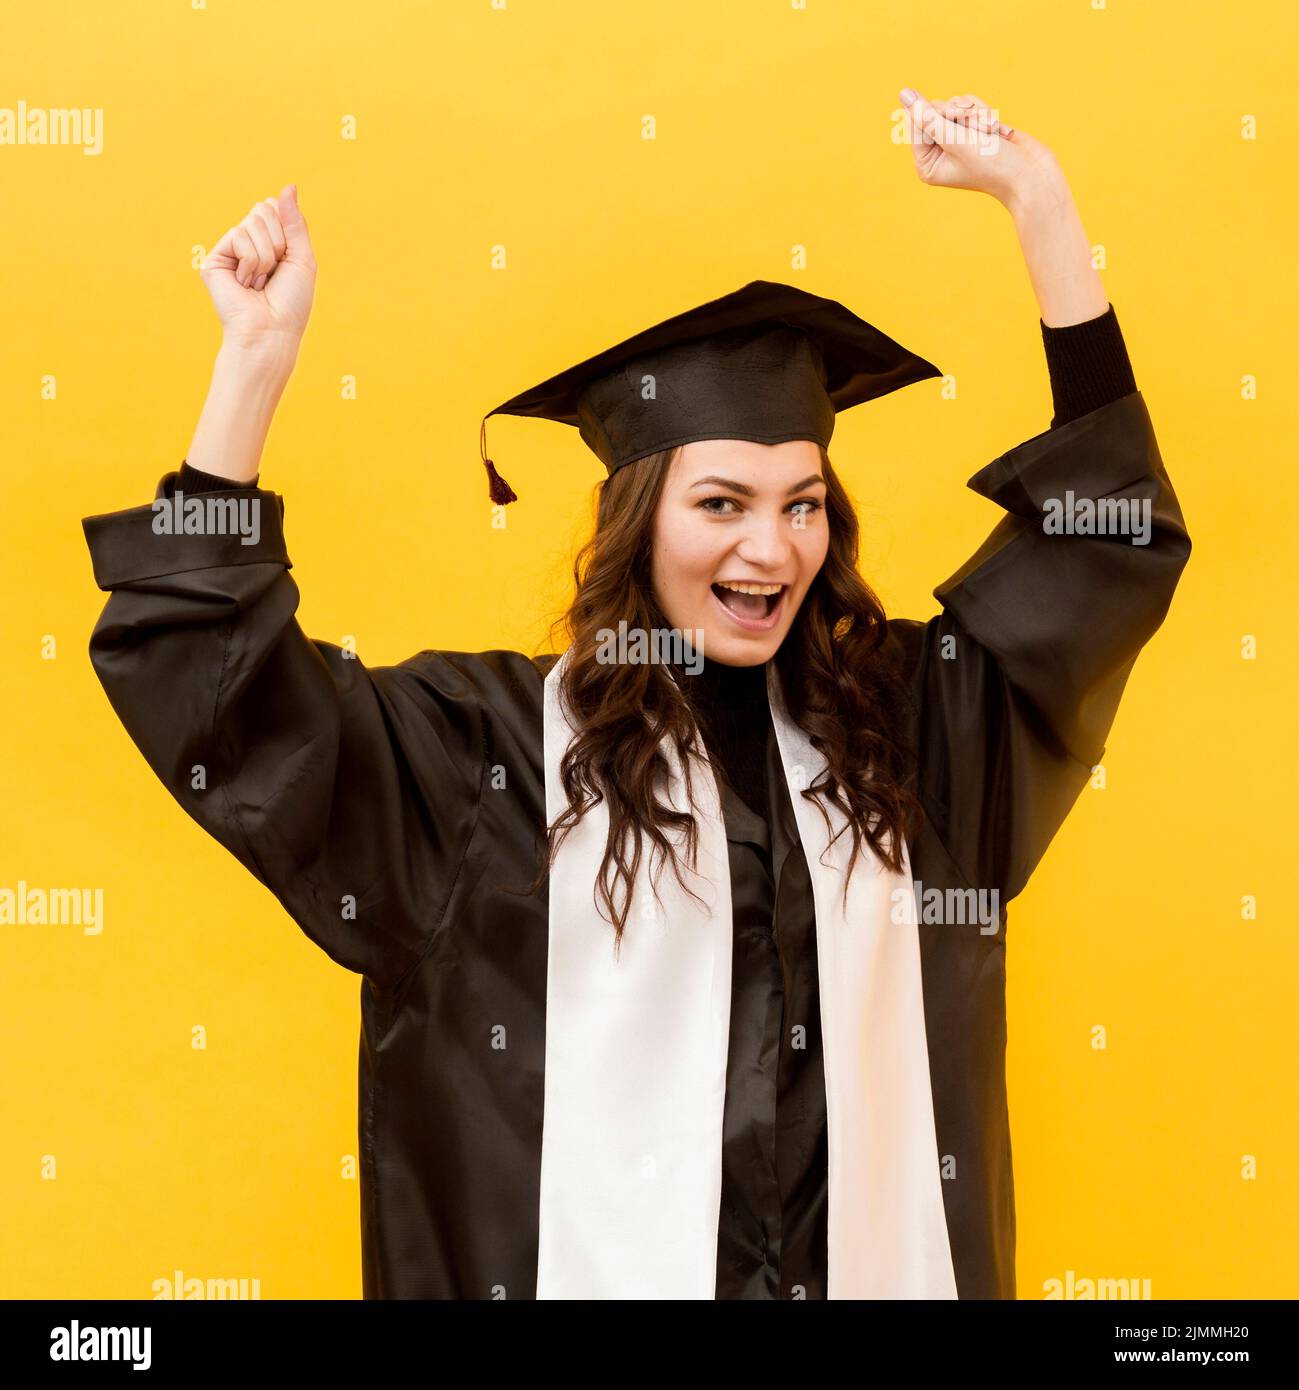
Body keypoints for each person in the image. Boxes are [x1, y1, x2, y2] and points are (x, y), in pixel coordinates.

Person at [81, 91, 1190, 1299]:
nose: (772, 548)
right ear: (638, 518)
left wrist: (1041, 206)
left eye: (801, 502)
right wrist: (250, 368)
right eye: (721, 503)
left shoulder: (909, 743)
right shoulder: (485, 763)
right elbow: (216, 691)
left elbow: (1107, 545)